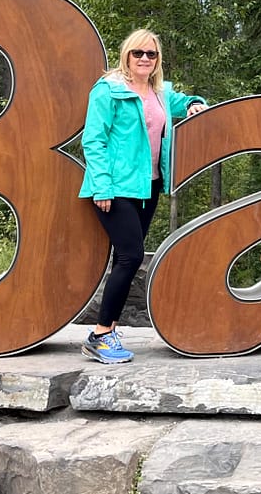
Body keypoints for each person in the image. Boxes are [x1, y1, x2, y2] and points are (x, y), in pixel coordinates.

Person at [78, 28, 207, 364]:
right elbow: (94, 140)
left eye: (151, 54)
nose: (145, 59)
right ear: (127, 55)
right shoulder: (108, 89)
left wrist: (195, 104)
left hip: (148, 187)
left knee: (127, 257)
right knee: (131, 256)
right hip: (115, 187)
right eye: (139, 53)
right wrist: (103, 186)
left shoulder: (160, 91)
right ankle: (100, 334)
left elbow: (185, 101)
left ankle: (110, 330)